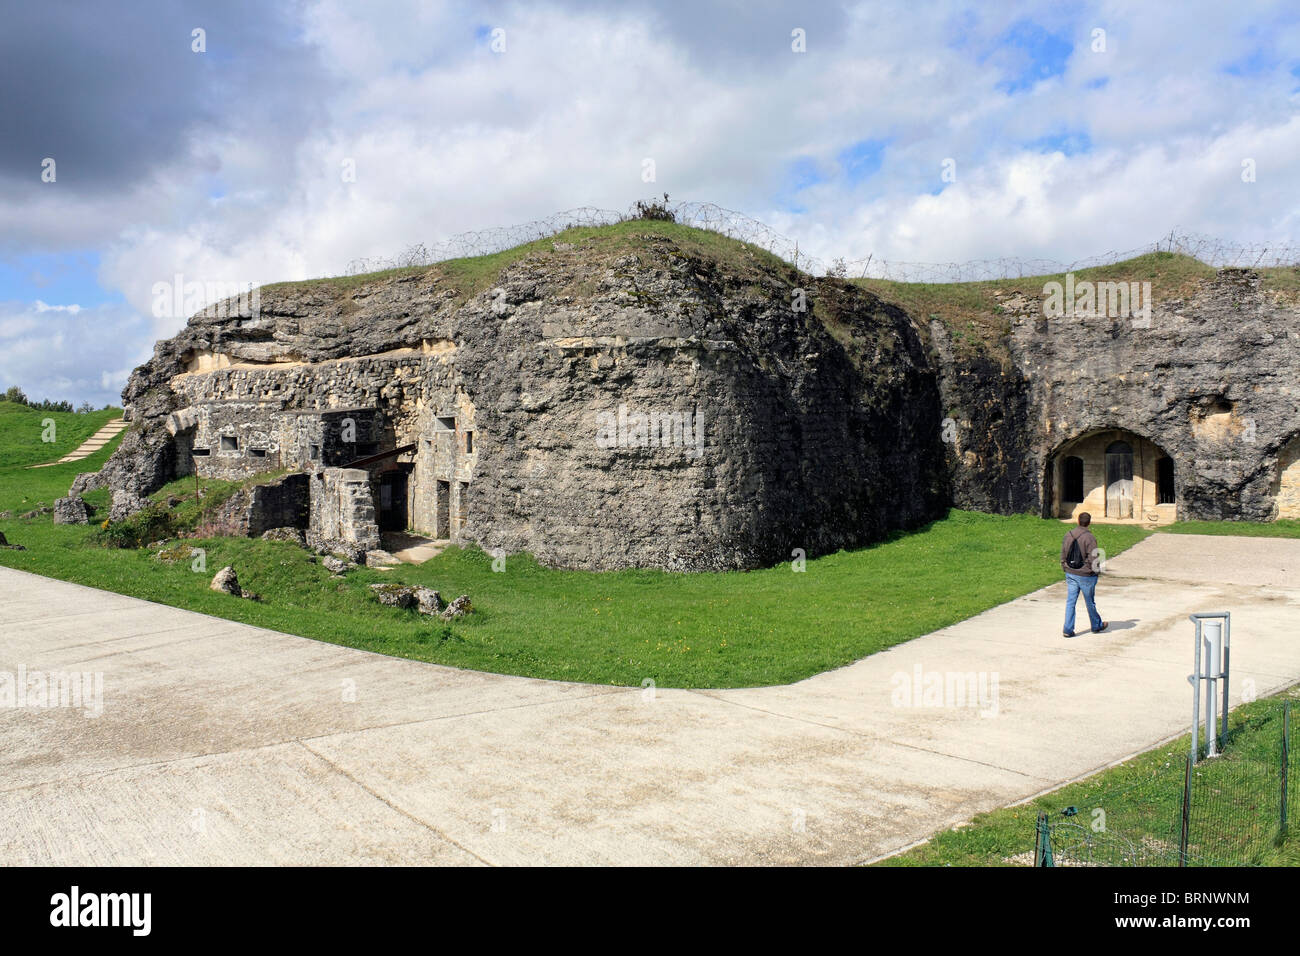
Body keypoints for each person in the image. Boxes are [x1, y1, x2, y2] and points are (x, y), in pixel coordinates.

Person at [1061, 512, 1108, 638]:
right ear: (1089, 522)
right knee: (1090, 602)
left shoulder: (1068, 534)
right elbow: (1094, 558)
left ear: (1078, 521)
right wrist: (1095, 572)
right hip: (1086, 575)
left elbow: (1063, 552)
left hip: (1070, 572)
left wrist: (1064, 566)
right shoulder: (1089, 538)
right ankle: (1096, 625)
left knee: (1070, 601)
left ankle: (1067, 629)